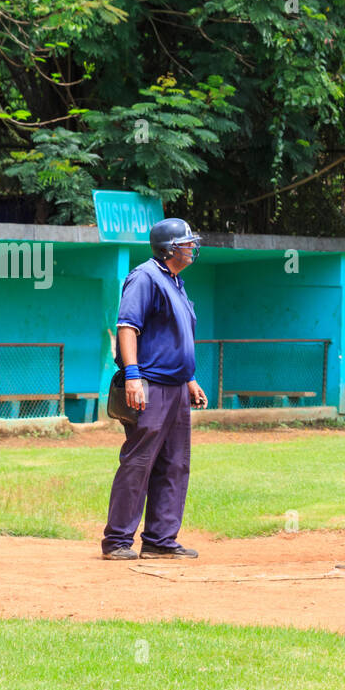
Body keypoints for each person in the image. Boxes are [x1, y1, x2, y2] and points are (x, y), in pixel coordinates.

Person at [101, 217, 209, 560]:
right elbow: (127, 327)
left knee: (175, 464)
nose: (193, 248)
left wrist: (189, 379)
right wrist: (133, 376)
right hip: (150, 386)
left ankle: (160, 540)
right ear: (168, 248)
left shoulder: (175, 282)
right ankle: (117, 541)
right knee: (139, 462)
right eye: (187, 243)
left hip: (176, 388)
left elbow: (174, 337)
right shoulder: (145, 277)